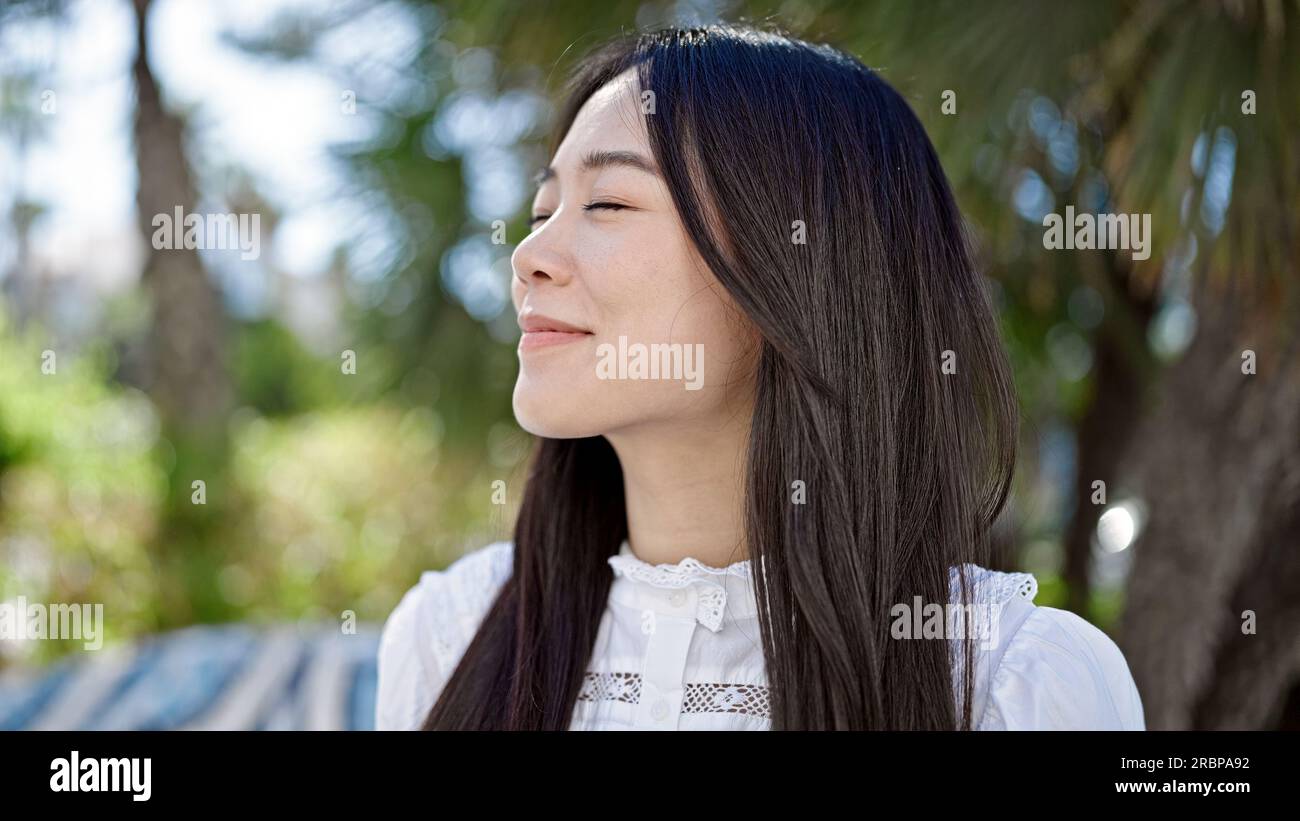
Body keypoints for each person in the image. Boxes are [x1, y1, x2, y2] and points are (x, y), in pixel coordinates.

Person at [376, 23, 1145, 731]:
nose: (528, 256)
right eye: (544, 208)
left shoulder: (1015, 680)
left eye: (607, 201)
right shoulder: (448, 633)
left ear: (799, 271)